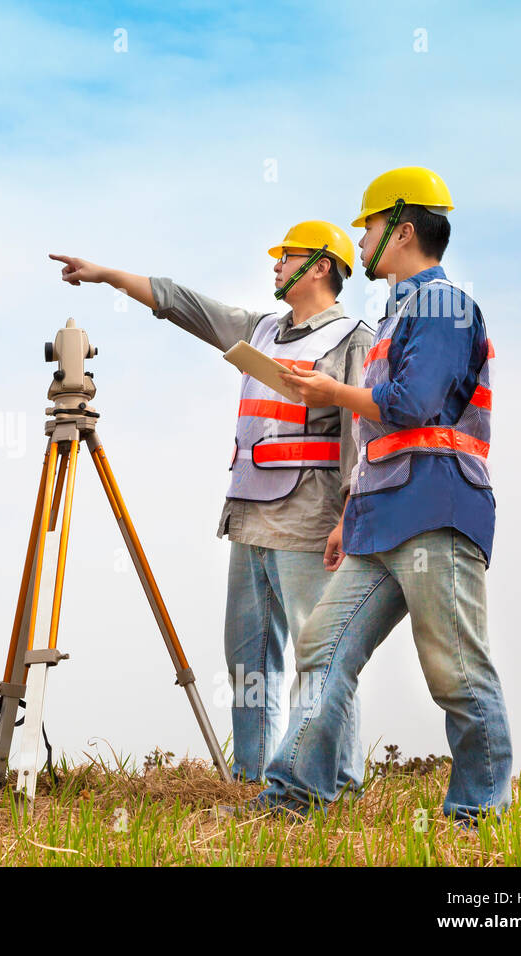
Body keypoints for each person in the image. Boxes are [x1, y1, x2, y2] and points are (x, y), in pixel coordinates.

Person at [49, 221, 372, 786]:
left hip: (310, 522)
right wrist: (108, 277)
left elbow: (360, 437)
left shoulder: (353, 340)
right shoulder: (262, 329)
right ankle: (255, 780)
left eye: (286, 256)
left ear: (320, 266)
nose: (275, 265)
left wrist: (350, 513)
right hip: (248, 516)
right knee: (248, 663)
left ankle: (334, 782)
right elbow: (185, 305)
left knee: (319, 658)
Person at [251, 167, 513, 825]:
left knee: (455, 671)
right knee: (322, 650)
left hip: (437, 510)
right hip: (381, 519)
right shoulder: (398, 316)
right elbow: (380, 434)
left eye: (368, 226)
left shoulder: (443, 305)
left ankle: (477, 817)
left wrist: (329, 393)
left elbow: (414, 406)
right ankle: (293, 797)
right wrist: (350, 513)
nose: (361, 240)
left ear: (400, 227)